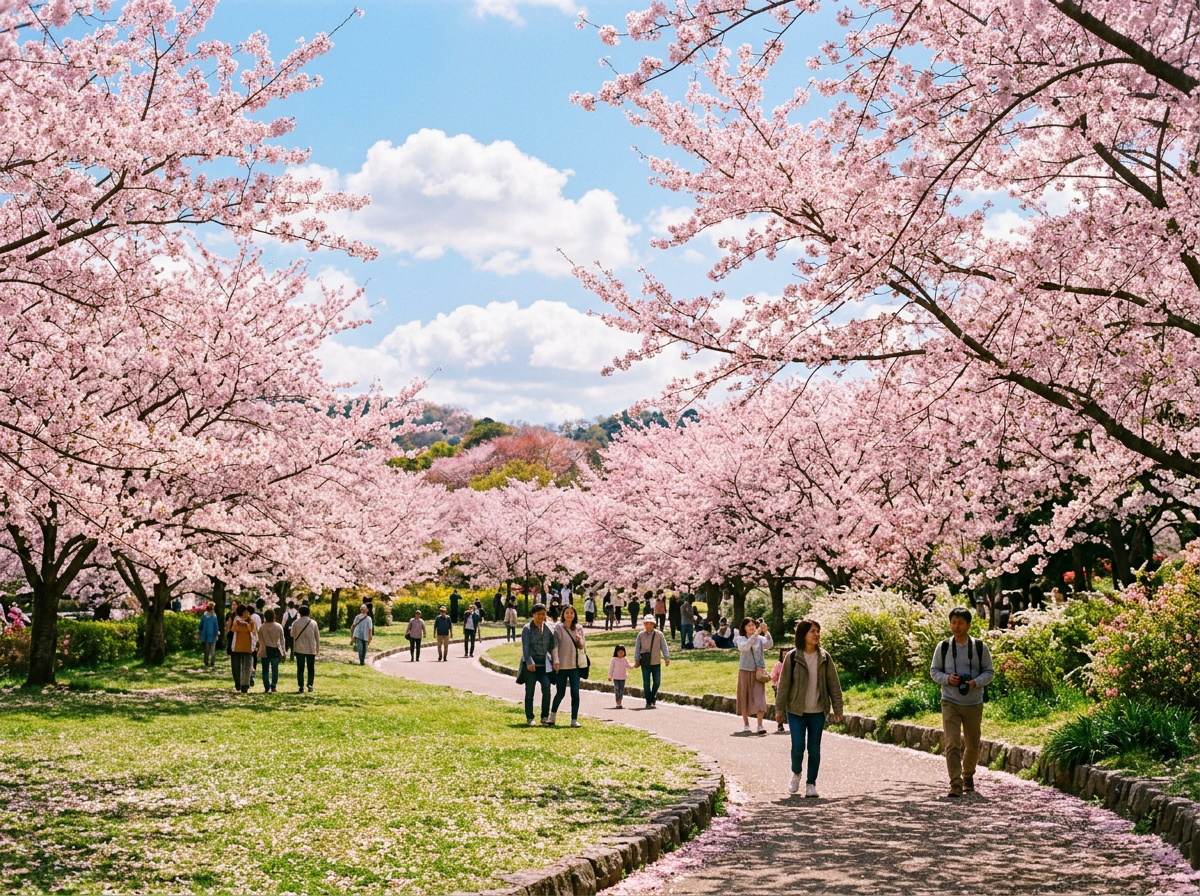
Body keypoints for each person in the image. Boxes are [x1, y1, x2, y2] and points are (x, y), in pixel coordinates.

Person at [775, 619, 844, 798]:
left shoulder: (825, 657)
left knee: (814, 748)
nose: (816, 634)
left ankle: (811, 783)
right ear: (803, 634)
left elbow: (833, 684)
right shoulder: (792, 656)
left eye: (818, 631)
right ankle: (796, 773)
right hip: (796, 710)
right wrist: (779, 710)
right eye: (812, 631)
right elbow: (783, 685)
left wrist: (838, 708)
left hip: (818, 711)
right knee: (798, 746)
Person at [931, 607, 994, 797]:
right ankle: (955, 783)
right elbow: (934, 671)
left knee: (973, 745)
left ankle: (968, 775)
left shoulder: (980, 647)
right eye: (953, 622)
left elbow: (989, 672)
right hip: (949, 700)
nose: (956, 626)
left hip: (974, 702)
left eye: (960, 623)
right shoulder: (943, 647)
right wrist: (948, 679)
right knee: (951, 743)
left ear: (968, 625)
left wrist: (975, 682)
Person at [550, 605, 587, 727]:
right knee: (560, 693)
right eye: (567, 613)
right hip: (561, 666)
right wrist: (555, 660)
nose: (569, 615)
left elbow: (583, 647)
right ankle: (552, 716)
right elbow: (554, 646)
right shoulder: (558, 628)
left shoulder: (579, 628)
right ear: (563, 614)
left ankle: (574, 719)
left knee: (575, 693)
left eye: (572, 613)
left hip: (574, 666)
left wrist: (579, 641)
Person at [735, 616, 774, 734]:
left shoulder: (760, 638)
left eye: (753, 625)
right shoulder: (740, 638)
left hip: (759, 671)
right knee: (745, 696)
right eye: (749, 625)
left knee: (759, 697)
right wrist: (756, 634)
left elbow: (770, 644)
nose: (752, 627)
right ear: (744, 627)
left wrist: (766, 631)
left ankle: (760, 725)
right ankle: (746, 724)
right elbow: (745, 647)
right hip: (745, 670)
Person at [521, 603, 557, 726]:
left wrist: (555, 660)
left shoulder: (547, 628)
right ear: (534, 614)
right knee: (529, 692)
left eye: (543, 614)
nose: (541, 616)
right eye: (539, 614)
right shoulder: (527, 628)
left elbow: (552, 646)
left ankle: (544, 717)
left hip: (544, 665)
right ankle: (530, 717)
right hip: (530, 665)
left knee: (547, 688)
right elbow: (525, 648)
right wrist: (529, 662)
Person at [633, 615, 670, 708]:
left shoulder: (659, 634)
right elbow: (637, 648)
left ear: (653, 624)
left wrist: (666, 657)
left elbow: (664, 646)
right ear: (644, 624)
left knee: (657, 682)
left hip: (656, 661)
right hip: (645, 662)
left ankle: (652, 695)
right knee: (646, 682)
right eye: (647, 624)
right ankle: (648, 700)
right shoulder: (640, 635)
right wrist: (636, 659)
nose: (649, 626)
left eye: (651, 624)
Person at [290, 604, 320, 693]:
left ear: (299, 613)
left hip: (299, 649)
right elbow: (317, 637)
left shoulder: (295, 622)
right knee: (311, 668)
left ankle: (301, 686)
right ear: (309, 613)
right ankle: (310, 685)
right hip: (311, 648)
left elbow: (292, 634)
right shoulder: (313, 623)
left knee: (300, 668)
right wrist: (317, 648)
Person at [257, 608, 286, 693]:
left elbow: (259, 639)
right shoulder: (278, 626)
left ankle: (266, 686)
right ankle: (273, 686)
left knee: (265, 670)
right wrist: (283, 652)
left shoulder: (262, 627)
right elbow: (282, 640)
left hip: (264, 650)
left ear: (265, 617)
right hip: (275, 650)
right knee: (275, 670)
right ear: (274, 616)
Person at [230, 605, 257, 693]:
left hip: (248, 646)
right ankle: (238, 684)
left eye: (248, 612)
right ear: (241, 612)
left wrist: (246, 624)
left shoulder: (250, 621)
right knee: (236, 667)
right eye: (245, 612)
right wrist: (243, 625)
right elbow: (234, 629)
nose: (247, 614)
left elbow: (252, 630)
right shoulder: (236, 619)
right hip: (237, 646)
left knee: (247, 667)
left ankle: (245, 685)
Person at [197, 601, 220, 668]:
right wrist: (217, 634)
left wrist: (199, 632)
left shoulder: (204, 616)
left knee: (206, 651)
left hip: (205, 636)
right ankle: (211, 663)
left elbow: (200, 626)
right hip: (212, 636)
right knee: (212, 651)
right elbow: (216, 626)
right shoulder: (214, 617)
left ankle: (206, 662)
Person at [608, 644, 631, 709]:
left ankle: (620, 702)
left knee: (621, 690)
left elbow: (629, 665)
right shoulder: (614, 659)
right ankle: (617, 702)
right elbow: (611, 668)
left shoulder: (625, 659)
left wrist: (634, 665)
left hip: (623, 678)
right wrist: (610, 676)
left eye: (622, 652)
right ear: (616, 652)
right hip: (616, 678)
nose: (621, 653)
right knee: (617, 690)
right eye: (619, 652)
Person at [770, 648, 787, 732]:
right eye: (784, 654)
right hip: (779, 688)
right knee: (780, 707)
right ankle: (780, 724)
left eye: (787, 653)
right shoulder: (778, 665)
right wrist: (776, 685)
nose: (785, 655)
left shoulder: (794, 664)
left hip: (790, 689)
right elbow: (773, 677)